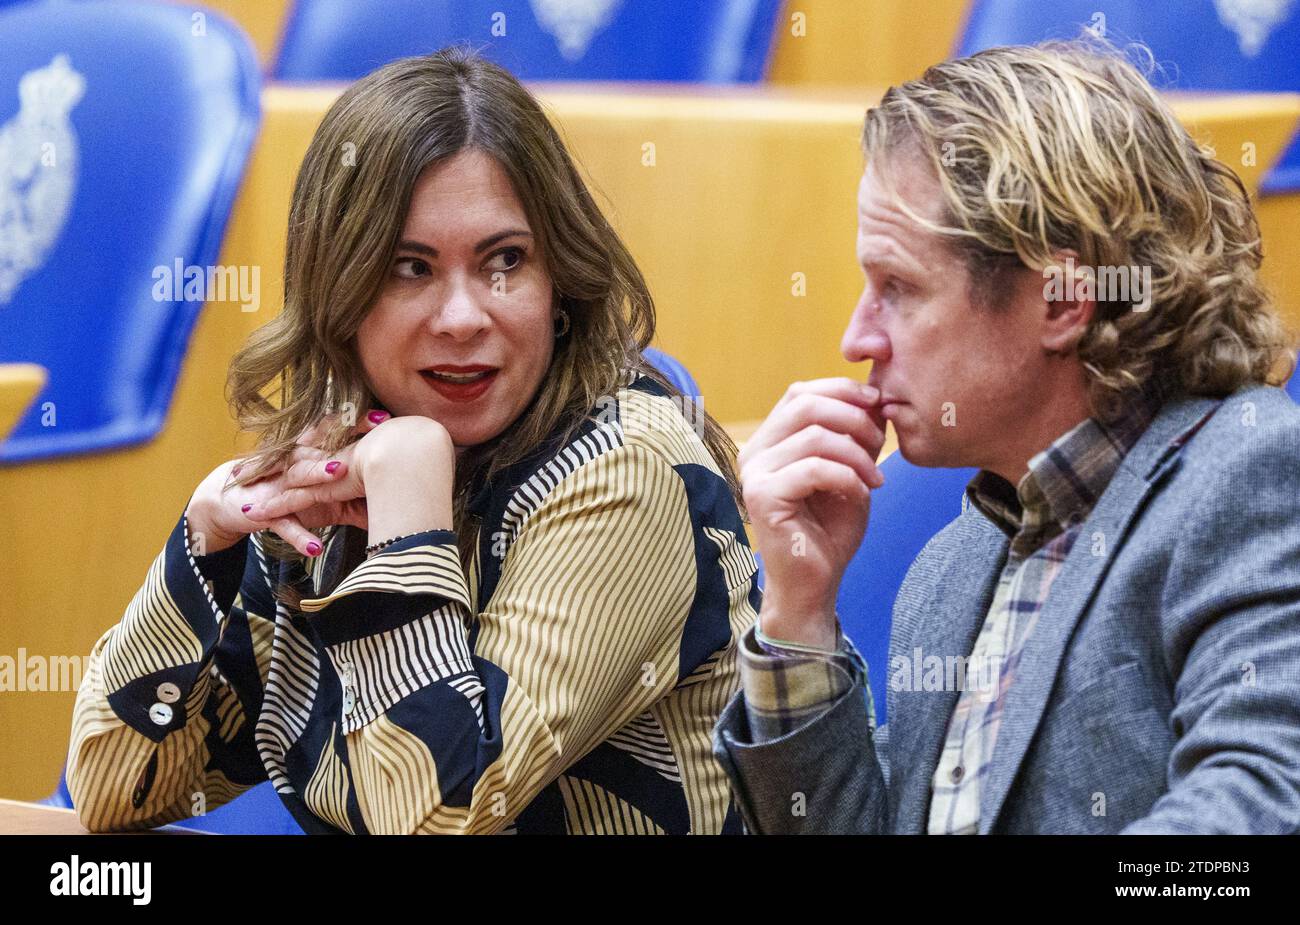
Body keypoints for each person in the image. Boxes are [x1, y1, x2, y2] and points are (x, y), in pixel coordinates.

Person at [67, 47, 756, 834]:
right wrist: (205, 542)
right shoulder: (338, 463)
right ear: (341, 296)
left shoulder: (626, 474)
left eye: (504, 260)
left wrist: (409, 528)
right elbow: (116, 793)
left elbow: (430, 817)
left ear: (559, 282)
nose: (463, 317)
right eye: (409, 268)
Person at [713, 37, 1300, 834]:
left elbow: (1257, 817)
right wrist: (799, 617)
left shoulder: (1252, 476)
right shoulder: (948, 571)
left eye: (898, 288)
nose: (857, 336)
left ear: (1060, 300)